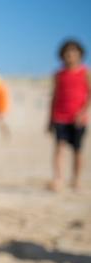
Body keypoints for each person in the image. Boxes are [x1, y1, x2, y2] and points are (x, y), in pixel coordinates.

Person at [47, 39, 90, 192]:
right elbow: (54, 96)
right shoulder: (58, 74)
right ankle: (58, 179)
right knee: (59, 148)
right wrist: (49, 119)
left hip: (78, 118)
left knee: (77, 150)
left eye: (73, 53)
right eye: (67, 53)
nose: (70, 56)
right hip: (60, 116)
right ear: (62, 55)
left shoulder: (85, 72)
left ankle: (76, 179)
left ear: (80, 55)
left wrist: (83, 112)